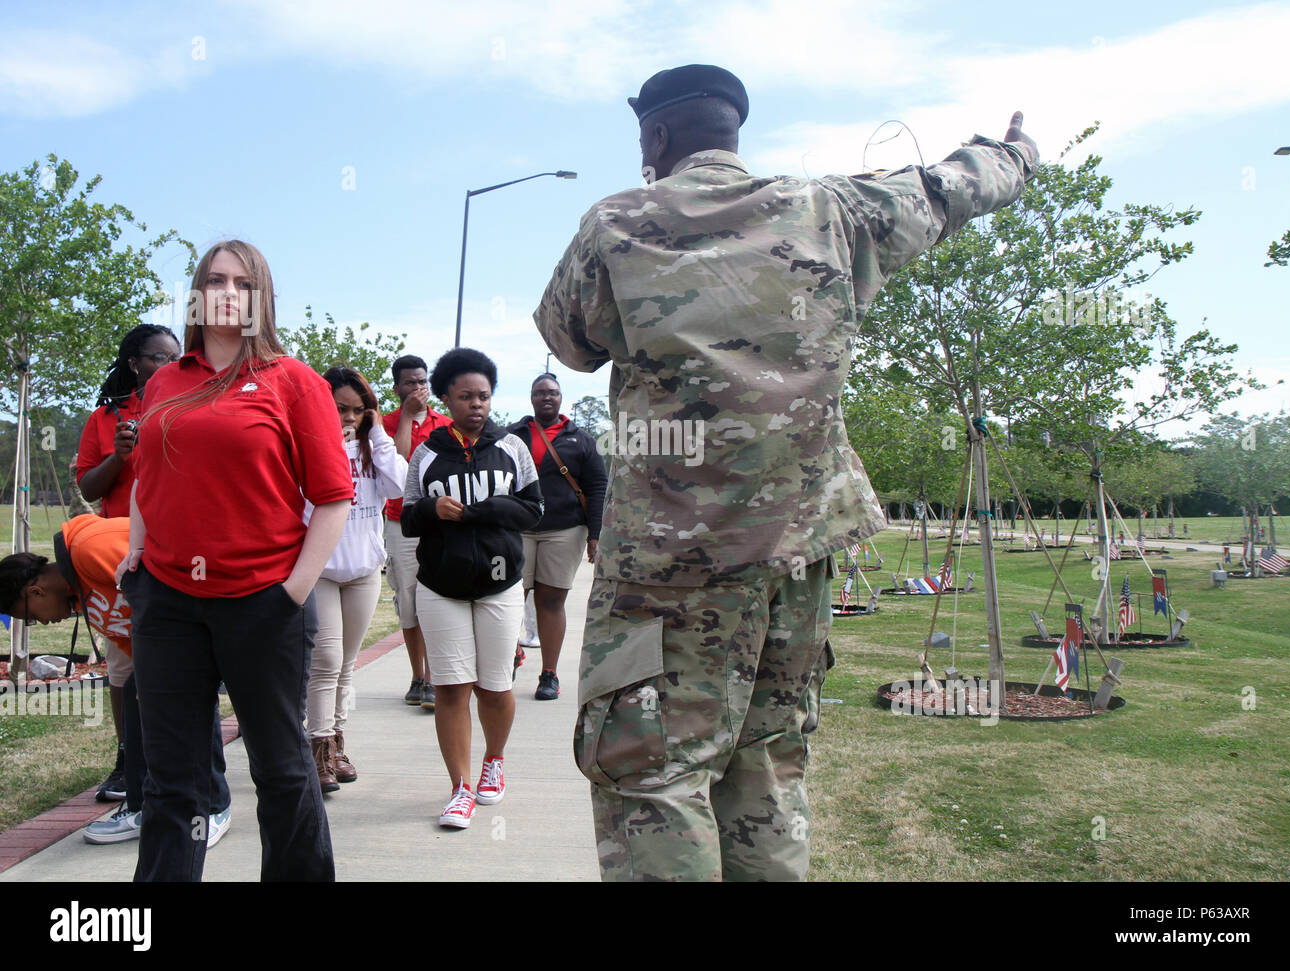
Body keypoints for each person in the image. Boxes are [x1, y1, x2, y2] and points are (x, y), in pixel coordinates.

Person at [534, 64, 1038, 881]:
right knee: (767, 764)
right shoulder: (829, 210)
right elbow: (946, 188)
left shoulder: (617, 225)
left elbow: (570, 341)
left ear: (656, 137)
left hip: (671, 566)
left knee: (653, 769)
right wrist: (1014, 152)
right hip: (799, 552)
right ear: (733, 132)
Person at [118, 239, 353, 881]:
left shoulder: (294, 382)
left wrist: (292, 594)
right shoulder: (167, 379)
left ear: (261, 297)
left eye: (243, 283)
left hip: (262, 603)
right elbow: (146, 476)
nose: (227, 291)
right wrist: (136, 551)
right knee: (172, 780)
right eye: (215, 280)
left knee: (280, 771)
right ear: (196, 293)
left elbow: (332, 499)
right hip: (167, 602)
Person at [0, 516, 232, 848]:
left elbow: (168, 572)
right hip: (166, 639)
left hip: (201, 615)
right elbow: (129, 633)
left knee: (185, 692)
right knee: (140, 689)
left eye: (34, 617)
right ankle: (142, 807)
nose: (46, 622)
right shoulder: (81, 595)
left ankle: (213, 808)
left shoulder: (88, 550)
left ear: (34, 591)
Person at [400, 348, 542, 829]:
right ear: (445, 397)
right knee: (451, 688)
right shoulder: (427, 452)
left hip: (500, 584)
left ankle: (494, 760)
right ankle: (459, 788)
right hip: (441, 585)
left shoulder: (512, 447)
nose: (476, 404)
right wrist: (431, 512)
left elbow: (533, 510)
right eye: (465, 396)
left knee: (495, 686)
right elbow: (407, 516)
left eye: (483, 395)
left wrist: (482, 511)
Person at [75, 324, 182, 803]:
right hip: (121, 555)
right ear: (134, 362)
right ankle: (127, 758)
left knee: (180, 659)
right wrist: (119, 457)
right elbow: (89, 489)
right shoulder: (104, 419)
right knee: (123, 664)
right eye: (159, 357)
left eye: (175, 356)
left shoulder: (183, 408)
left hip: (180, 547)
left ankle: (178, 755)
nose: (169, 365)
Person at [306, 366, 408, 790]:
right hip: (321, 570)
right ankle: (318, 747)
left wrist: (378, 430)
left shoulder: (374, 446)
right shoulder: (307, 444)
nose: (348, 418)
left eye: (358, 410)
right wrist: (329, 440)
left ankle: (337, 742)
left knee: (346, 666)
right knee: (325, 662)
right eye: (339, 409)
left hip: (364, 570)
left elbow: (399, 484)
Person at [506, 374, 606, 700]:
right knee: (508, 600)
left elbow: (597, 488)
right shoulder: (512, 435)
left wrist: (596, 534)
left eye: (553, 392)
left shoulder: (581, 439)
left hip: (564, 529)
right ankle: (509, 657)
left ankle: (548, 674)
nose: (546, 397)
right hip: (518, 528)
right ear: (531, 398)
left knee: (551, 601)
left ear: (561, 398)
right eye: (540, 392)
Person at [381, 354, 453, 709]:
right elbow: (397, 469)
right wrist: (407, 417)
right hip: (400, 523)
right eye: (410, 382)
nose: (418, 388)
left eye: (422, 382)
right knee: (408, 602)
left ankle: (440, 678)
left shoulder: (446, 425)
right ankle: (418, 677)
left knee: (440, 599)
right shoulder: (384, 423)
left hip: (440, 525)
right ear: (397, 388)